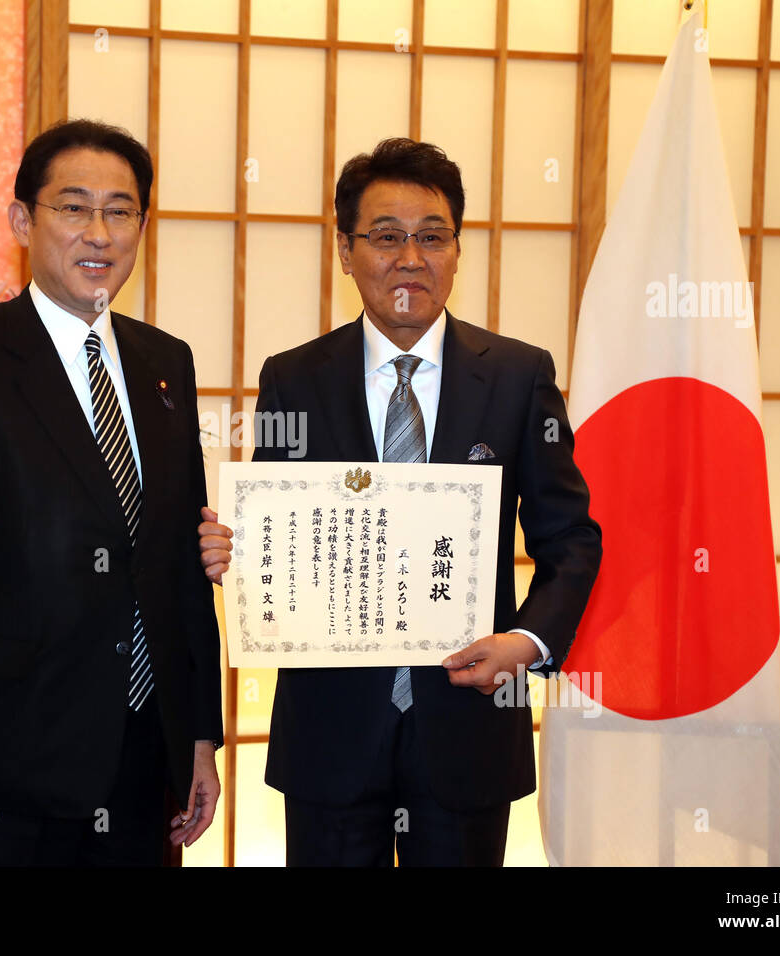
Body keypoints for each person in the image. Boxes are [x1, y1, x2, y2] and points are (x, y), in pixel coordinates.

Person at [198, 138, 601, 866]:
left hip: (469, 725)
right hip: (330, 733)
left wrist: (529, 643)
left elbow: (570, 537)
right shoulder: (294, 378)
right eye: (386, 237)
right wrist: (238, 555)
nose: (410, 258)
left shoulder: (517, 376)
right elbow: (285, 532)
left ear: (456, 249)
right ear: (346, 250)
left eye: (432, 236)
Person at [0, 119, 223, 866]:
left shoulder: (167, 363)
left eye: (121, 210)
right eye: (73, 207)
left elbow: (177, 567)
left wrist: (200, 733)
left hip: (143, 755)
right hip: (5, 766)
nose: (98, 232)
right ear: (22, 220)